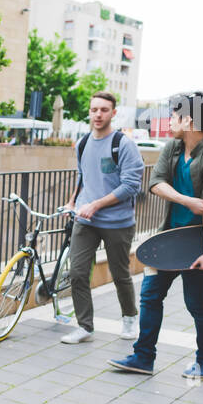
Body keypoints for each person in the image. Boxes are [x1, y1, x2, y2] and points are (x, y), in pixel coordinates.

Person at [109, 91, 203, 379]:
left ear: (189, 119)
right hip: (168, 238)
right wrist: (187, 200)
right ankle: (143, 357)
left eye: (174, 116)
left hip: (198, 242)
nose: (169, 122)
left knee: (197, 303)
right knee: (150, 296)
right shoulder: (173, 148)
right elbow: (155, 183)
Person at [60, 91, 143, 344]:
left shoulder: (123, 144)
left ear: (113, 113)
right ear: (89, 111)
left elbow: (131, 186)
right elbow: (82, 176)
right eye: (94, 109)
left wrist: (96, 205)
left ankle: (129, 317)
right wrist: (73, 201)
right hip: (86, 221)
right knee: (77, 273)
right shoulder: (83, 143)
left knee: (120, 274)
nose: (98, 114)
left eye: (104, 110)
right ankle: (85, 326)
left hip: (117, 223)